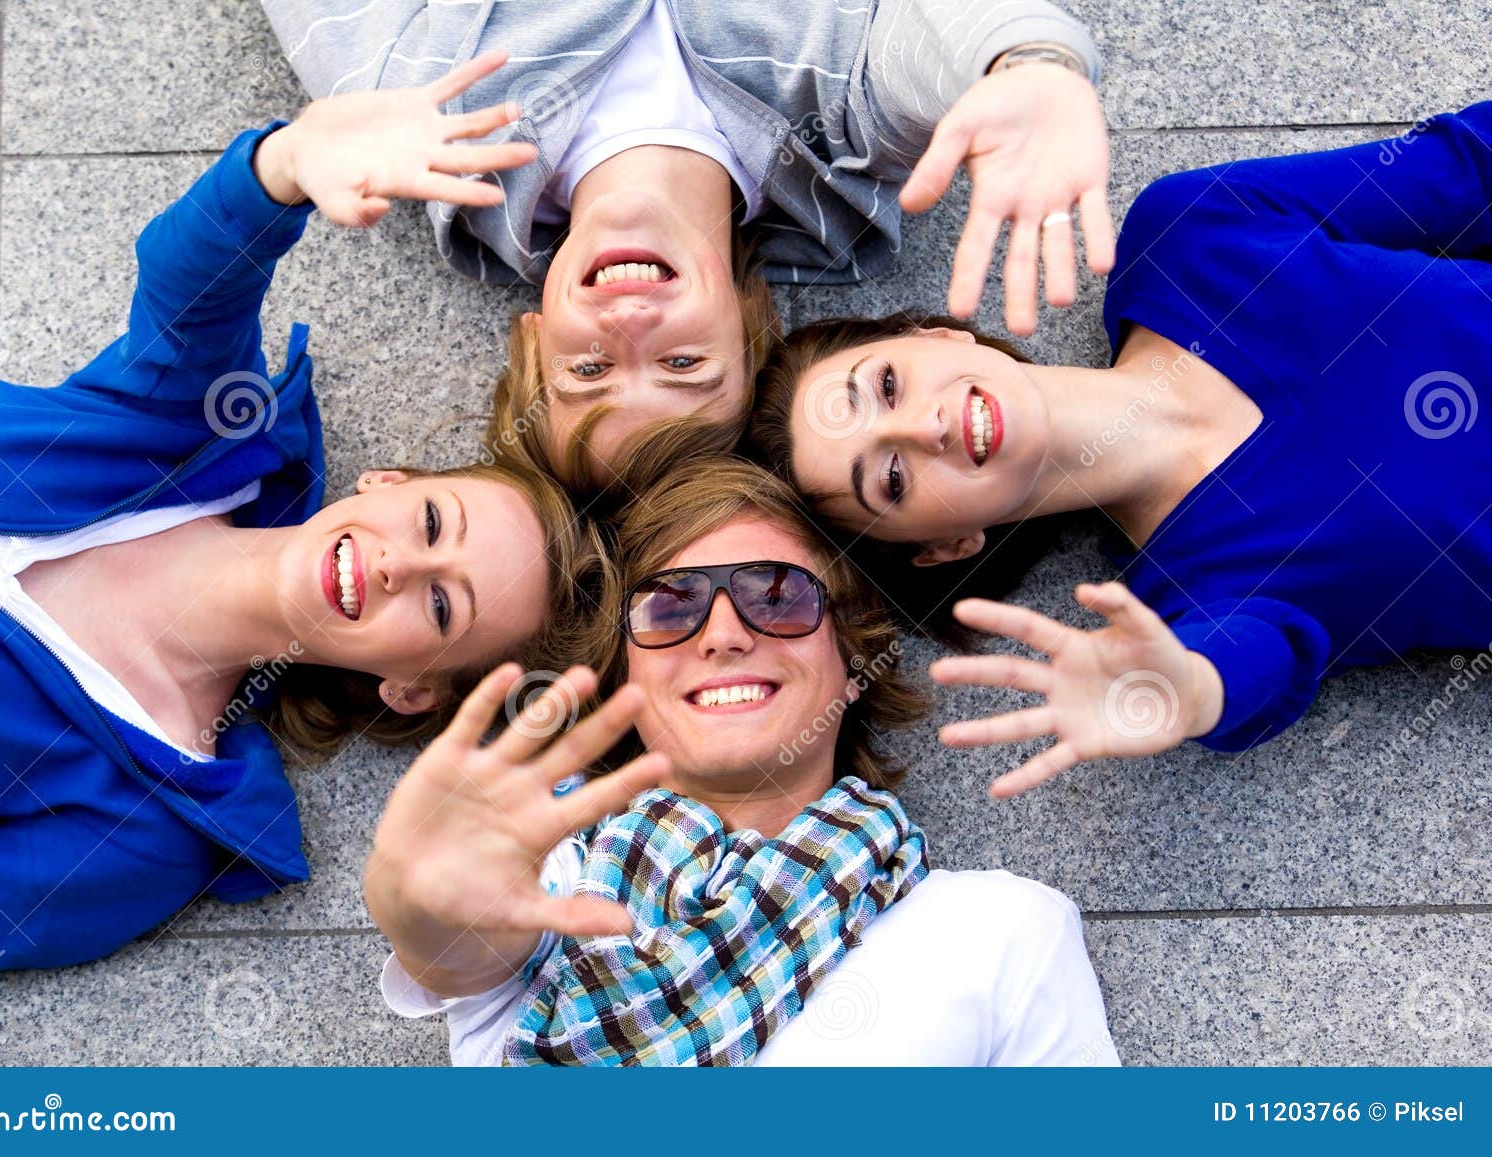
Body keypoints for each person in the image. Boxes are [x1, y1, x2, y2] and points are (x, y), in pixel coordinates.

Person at [0, 56, 604, 982]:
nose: (400, 567)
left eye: (441, 610)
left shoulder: (150, 823)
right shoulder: (190, 432)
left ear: (412, 688)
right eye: (430, 524)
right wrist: (287, 163)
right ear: (382, 483)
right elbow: (193, 282)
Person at [745, 102, 1492, 798]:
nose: (921, 428)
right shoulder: (1187, 610)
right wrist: (1182, 691)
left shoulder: (1192, 239)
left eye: (885, 385)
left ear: (934, 335)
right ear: (945, 545)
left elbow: (1463, 168)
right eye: (893, 478)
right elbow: (1232, 674)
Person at [365, 459, 1118, 1065]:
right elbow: (453, 939)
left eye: (779, 595)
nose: (722, 633)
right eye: (669, 606)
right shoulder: (544, 886)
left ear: (850, 656)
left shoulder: (998, 930)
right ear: (628, 671)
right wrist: (415, 890)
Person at [262, 0, 1114, 494]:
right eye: (684, 366)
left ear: (532, 334)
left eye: (587, 372)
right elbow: (927, 40)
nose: (631, 328)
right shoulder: (843, 144)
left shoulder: (416, 131)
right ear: (754, 323)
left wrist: (293, 155)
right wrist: (1029, 64)